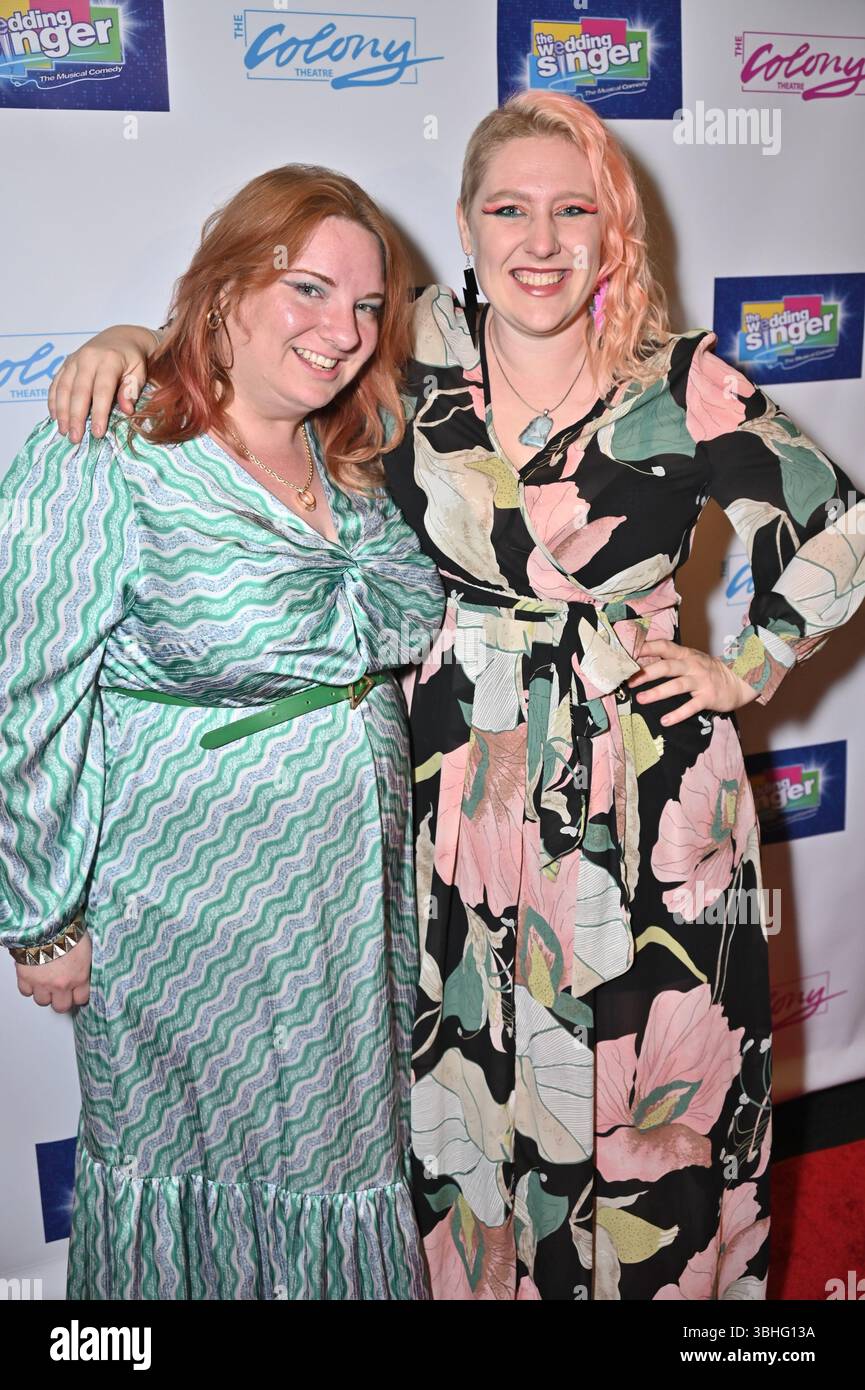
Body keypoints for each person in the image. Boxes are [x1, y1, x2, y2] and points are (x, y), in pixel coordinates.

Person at [46, 92, 865, 1301]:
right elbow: (256, 369)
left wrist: (746, 664)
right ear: (467, 225)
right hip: (459, 798)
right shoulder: (404, 348)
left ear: (612, 230)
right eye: (508, 209)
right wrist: (127, 338)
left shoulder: (680, 379)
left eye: (571, 209)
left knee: (650, 1106)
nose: (539, 239)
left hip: (648, 801)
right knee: (475, 1102)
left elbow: (838, 521)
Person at [0, 164, 446, 1301]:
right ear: (225, 291)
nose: (339, 329)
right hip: (182, 903)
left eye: (362, 304)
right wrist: (42, 917)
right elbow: (27, 690)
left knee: (341, 1164)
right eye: (306, 288)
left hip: (346, 904)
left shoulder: (356, 458)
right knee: (181, 1167)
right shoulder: (107, 447)